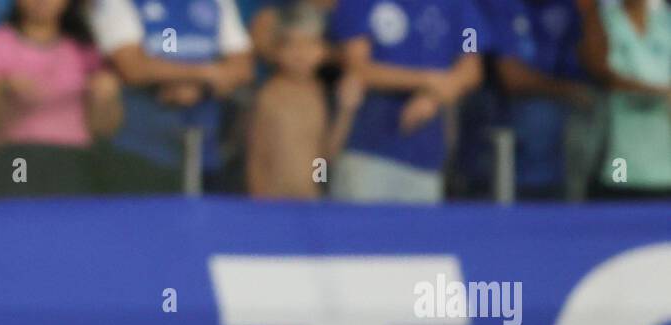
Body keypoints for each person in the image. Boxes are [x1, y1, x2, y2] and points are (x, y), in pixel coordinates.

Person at [329, 0, 487, 203]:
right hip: (366, 149)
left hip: (427, 155)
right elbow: (358, 69)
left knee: (420, 233)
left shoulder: (460, 8)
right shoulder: (361, 3)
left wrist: (433, 97)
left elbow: (471, 69)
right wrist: (429, 81)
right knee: (361, 231)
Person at [89, 0, 254, 193]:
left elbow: (242, 65)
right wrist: (205, 74)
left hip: (206, 141)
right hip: (139, 146)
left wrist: (197, 84)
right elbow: (132, 66)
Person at [0, 0, 123, 196]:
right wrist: (3, 92)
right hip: (15, 156)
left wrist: (104, 98)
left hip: (74, 160)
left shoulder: (85, 48)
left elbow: (106, 128)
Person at [246, 1, 362, 198]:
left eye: (310, 44)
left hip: (310, 202)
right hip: (272, 203)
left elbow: (324, 155)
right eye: (291, 44)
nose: (301, 53)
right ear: (277, 50)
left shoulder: (319, 95)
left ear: (323, 51)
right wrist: (258, 202)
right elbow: (256, 156)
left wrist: (345, 112)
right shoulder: (269, 96)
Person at [481, 0, 593, 200]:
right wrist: (567, 90)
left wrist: (591, 11)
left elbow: (589, 63)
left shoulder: (567, 8)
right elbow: (511, 77)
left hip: (560, 165)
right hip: (507, 166)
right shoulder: (499, 6)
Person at [580, 0, 671, 198]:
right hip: (619, 158)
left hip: (664, 165)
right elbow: (601, 73)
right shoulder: (603, 20)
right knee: (619, 209)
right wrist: (658, 92)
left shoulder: (665, 21)